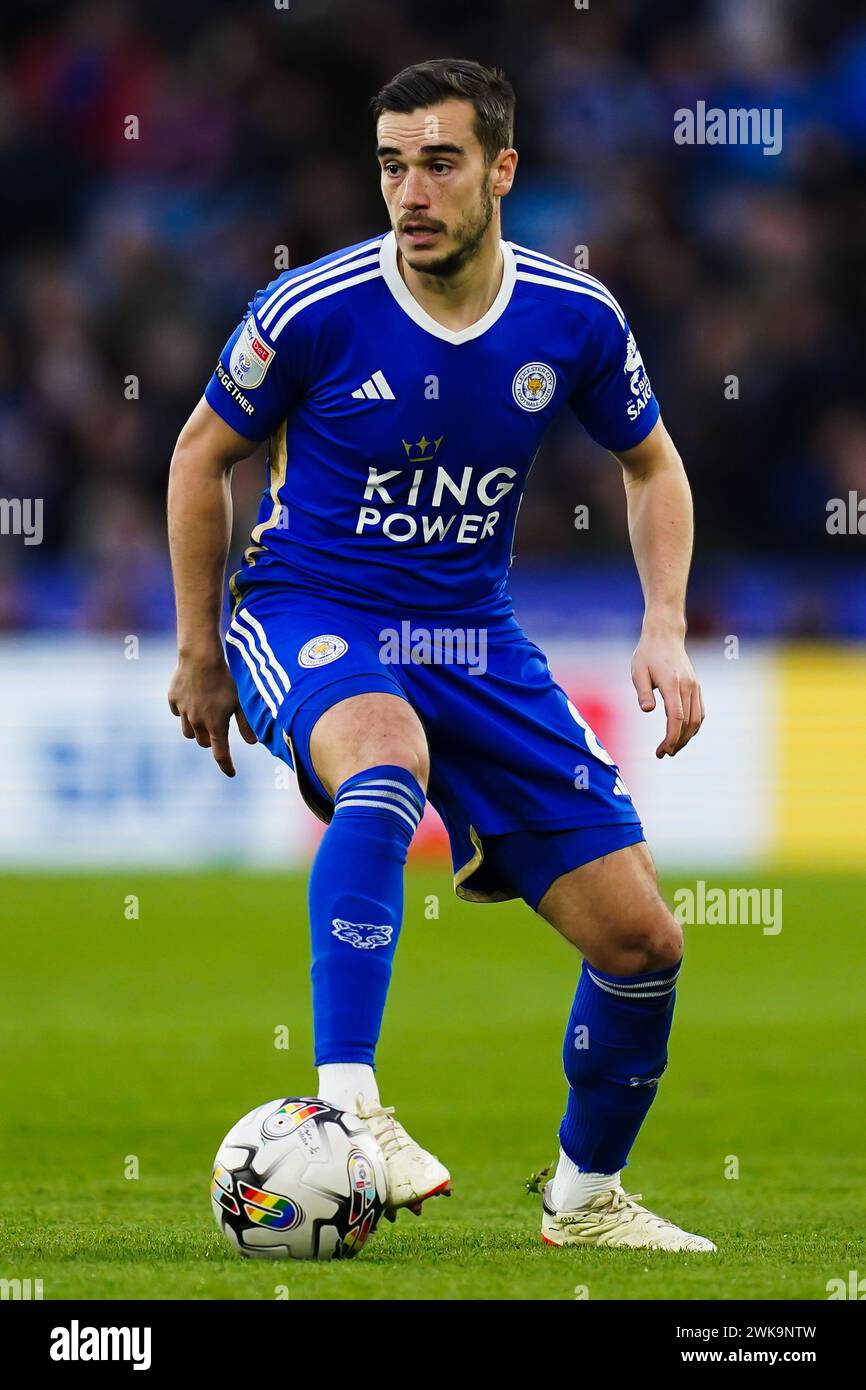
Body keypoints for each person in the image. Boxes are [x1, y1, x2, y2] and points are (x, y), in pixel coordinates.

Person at [167, 58, 714, 1250]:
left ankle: (584, 1203)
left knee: (642, 944)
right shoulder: (313, 309)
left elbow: (653, 462)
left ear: (502, 170)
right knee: (384, 756)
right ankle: (352, 1107)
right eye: (389, 165)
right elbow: (198, 454)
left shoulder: (572, 318)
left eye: (439, 163)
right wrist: (200, 646)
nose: (408, 192)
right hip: (313, 604)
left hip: (475, 635)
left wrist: (663, 623)